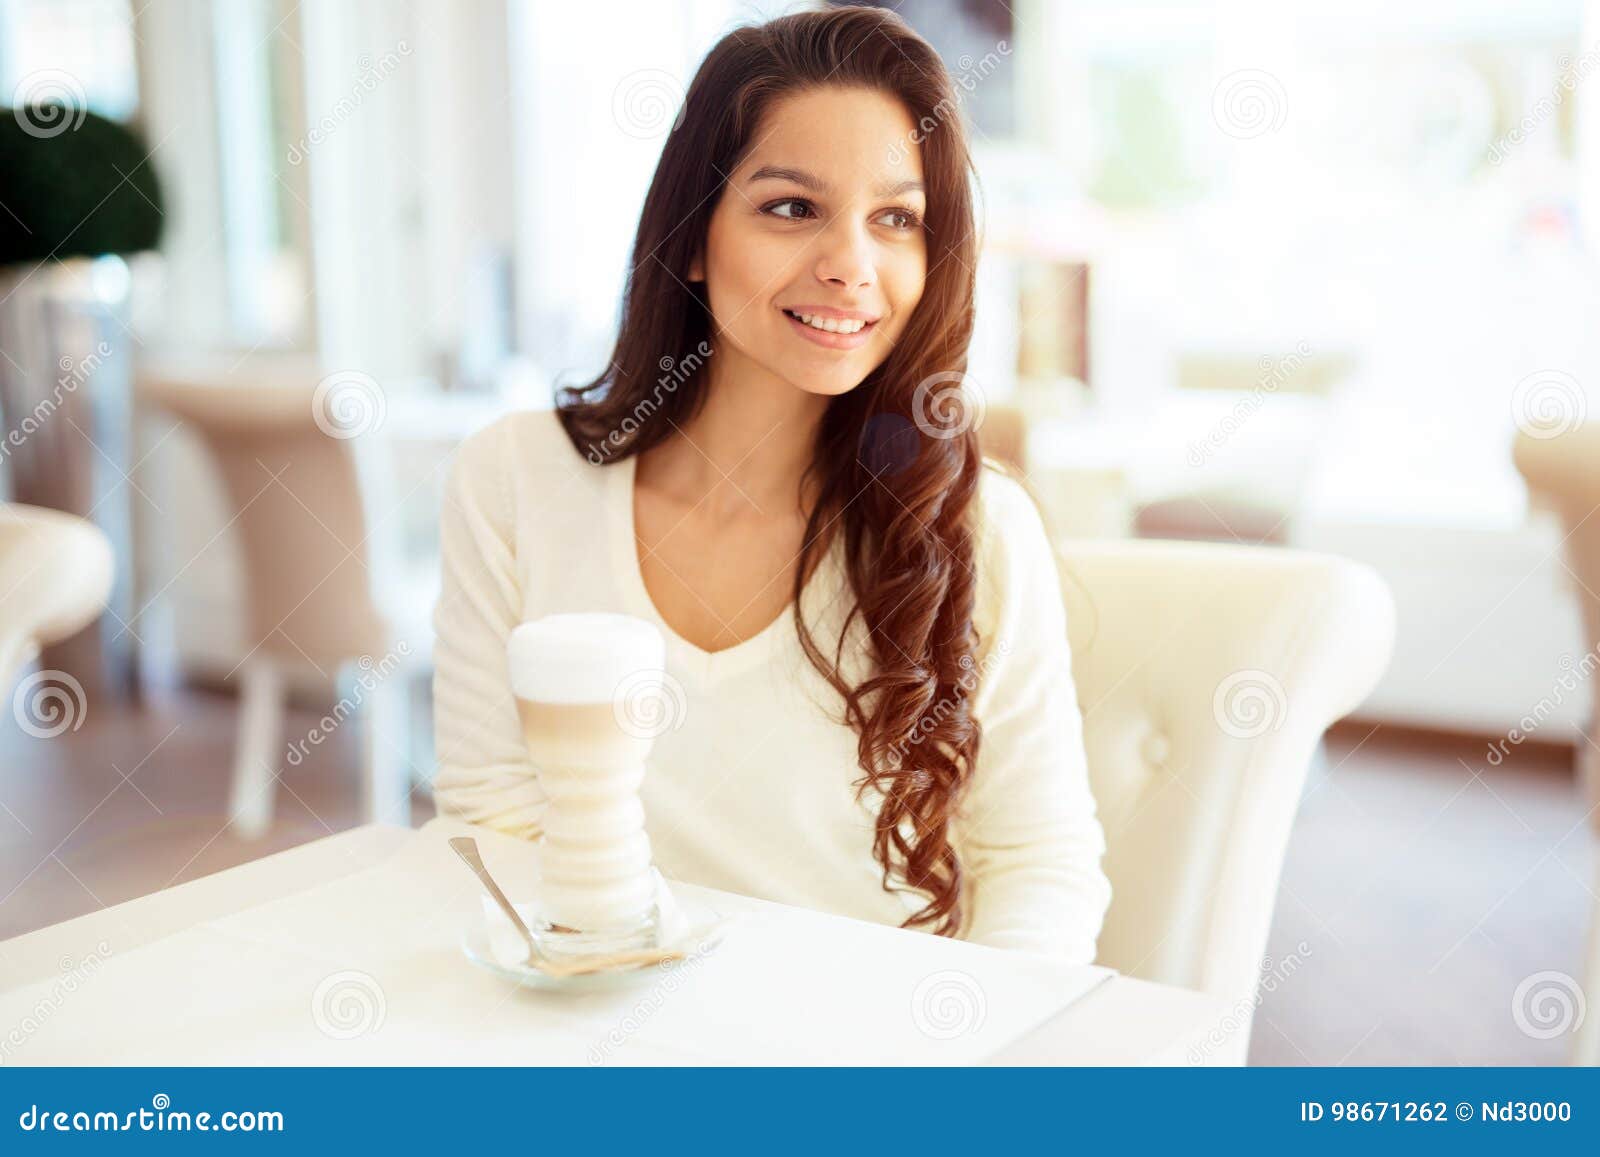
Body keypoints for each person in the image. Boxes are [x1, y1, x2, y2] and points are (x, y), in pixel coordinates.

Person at [433, 6, 1112, 960]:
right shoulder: (513, 480)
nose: (848, 265)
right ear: (696, 237)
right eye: (791, 207)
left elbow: (1040, 864)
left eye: (897, 219)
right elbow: (490, 824)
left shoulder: (978, 528)